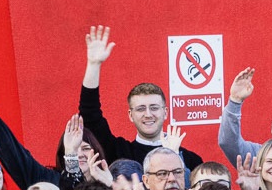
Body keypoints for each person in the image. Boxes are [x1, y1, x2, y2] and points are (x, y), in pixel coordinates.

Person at [77, 26, 203, 170]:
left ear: (165, 112)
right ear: (130, 115)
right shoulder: (119, 153)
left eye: (154, 108)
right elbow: (90, 115)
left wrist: (174, 156)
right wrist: (93, 65)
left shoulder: (191, 160)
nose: (148, 114)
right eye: (141, 109)